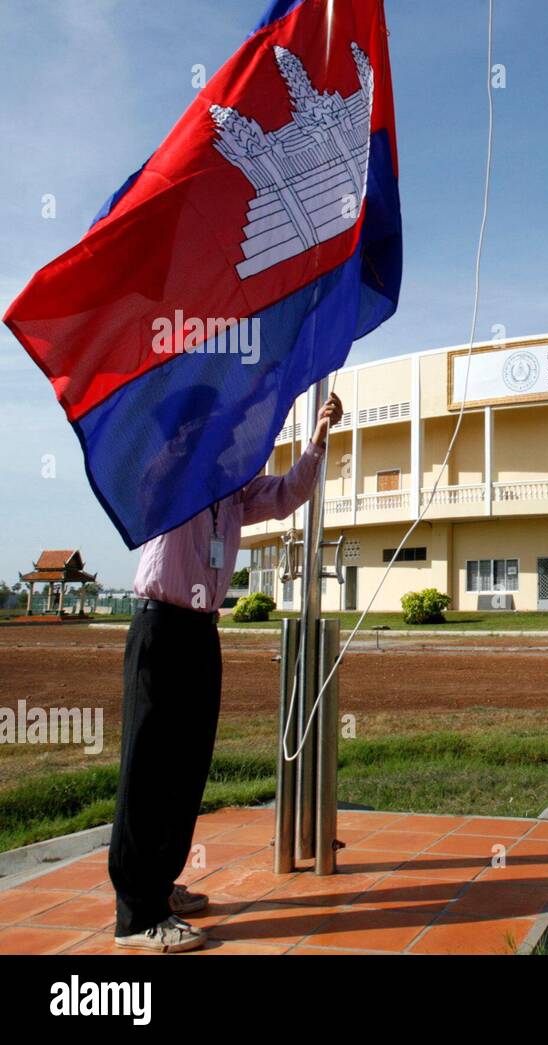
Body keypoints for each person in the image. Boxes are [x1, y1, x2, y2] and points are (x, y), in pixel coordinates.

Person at [109, 391, 343, 953]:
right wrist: (197, 428)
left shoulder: (230, 491)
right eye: (218, 426)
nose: (231, 433)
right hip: (160, 627)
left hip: (200, 631)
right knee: (147, 768)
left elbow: (288, 495)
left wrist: (317, 438)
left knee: (185, 766)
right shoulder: (173, 475)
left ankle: (161, 886)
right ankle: (135, 916)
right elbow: (158, 473)